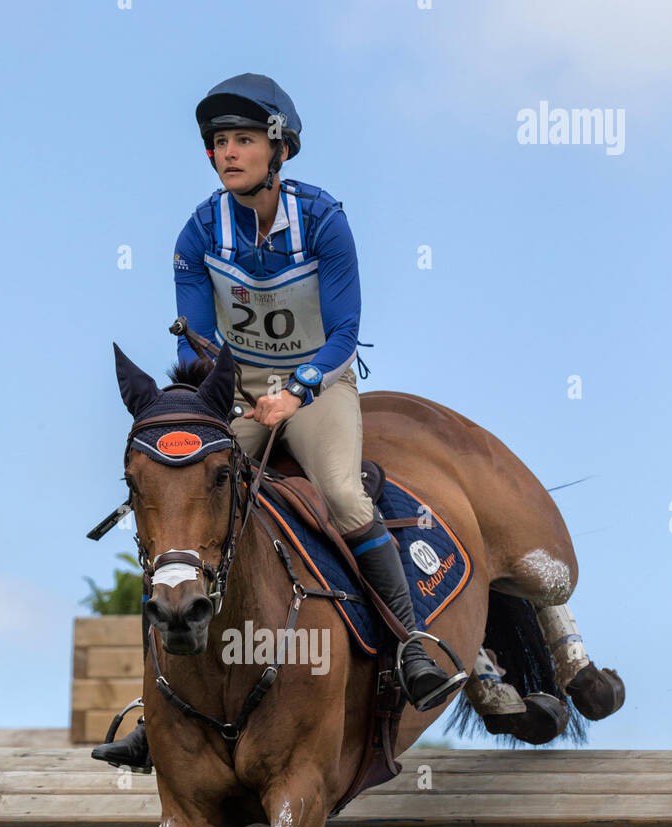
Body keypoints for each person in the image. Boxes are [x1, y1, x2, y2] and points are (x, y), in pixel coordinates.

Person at [93, 74, 462, 772]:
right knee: (186, 494)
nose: (229, 153)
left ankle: (413, 645)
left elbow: (346, 329)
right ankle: (162, 706)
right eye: (219, 143)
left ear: (279, 148)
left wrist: (294, 391)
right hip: (237, 392)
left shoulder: (323, 219)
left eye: (244, 140)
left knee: (344, 493)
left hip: (318, 383)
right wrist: (222, 398)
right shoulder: (198, 232)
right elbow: (191, 345)